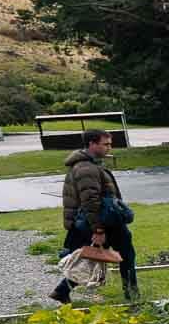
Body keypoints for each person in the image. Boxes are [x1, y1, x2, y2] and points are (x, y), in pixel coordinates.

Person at [49, 129, 139, 303]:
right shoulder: (86, 169)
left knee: (89, 256)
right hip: (102, 222)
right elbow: (90, 201)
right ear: (92, 144)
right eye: (105, 144)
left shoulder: (90, 165)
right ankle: (132, 295)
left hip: (95, 221)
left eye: (110, 144)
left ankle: (61, 291)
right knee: (126, 256)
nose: (109, 147)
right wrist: (98, 230)